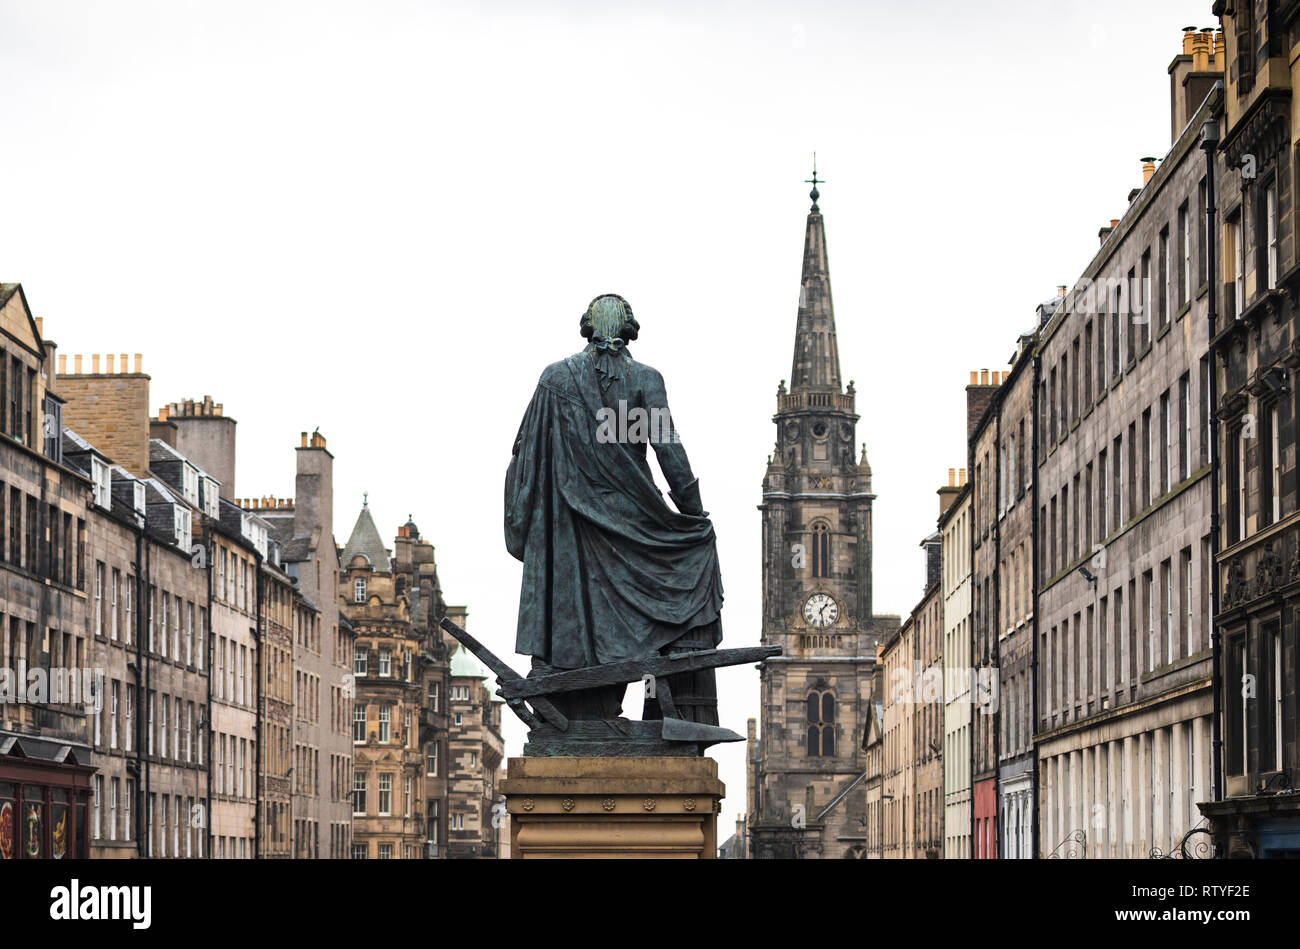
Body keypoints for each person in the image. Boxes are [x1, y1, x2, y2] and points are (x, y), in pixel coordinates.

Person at [504, 293, 723, 724]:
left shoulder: (554, 380)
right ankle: (675, 681)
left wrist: (528, 515)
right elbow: (668, 452)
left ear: (588, 327)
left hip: (573, 521)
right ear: (629, 330)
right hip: (631, 518)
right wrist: (694, 516)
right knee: (698, 551)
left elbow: (525, 458)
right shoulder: (644, 380)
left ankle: (589, 682)